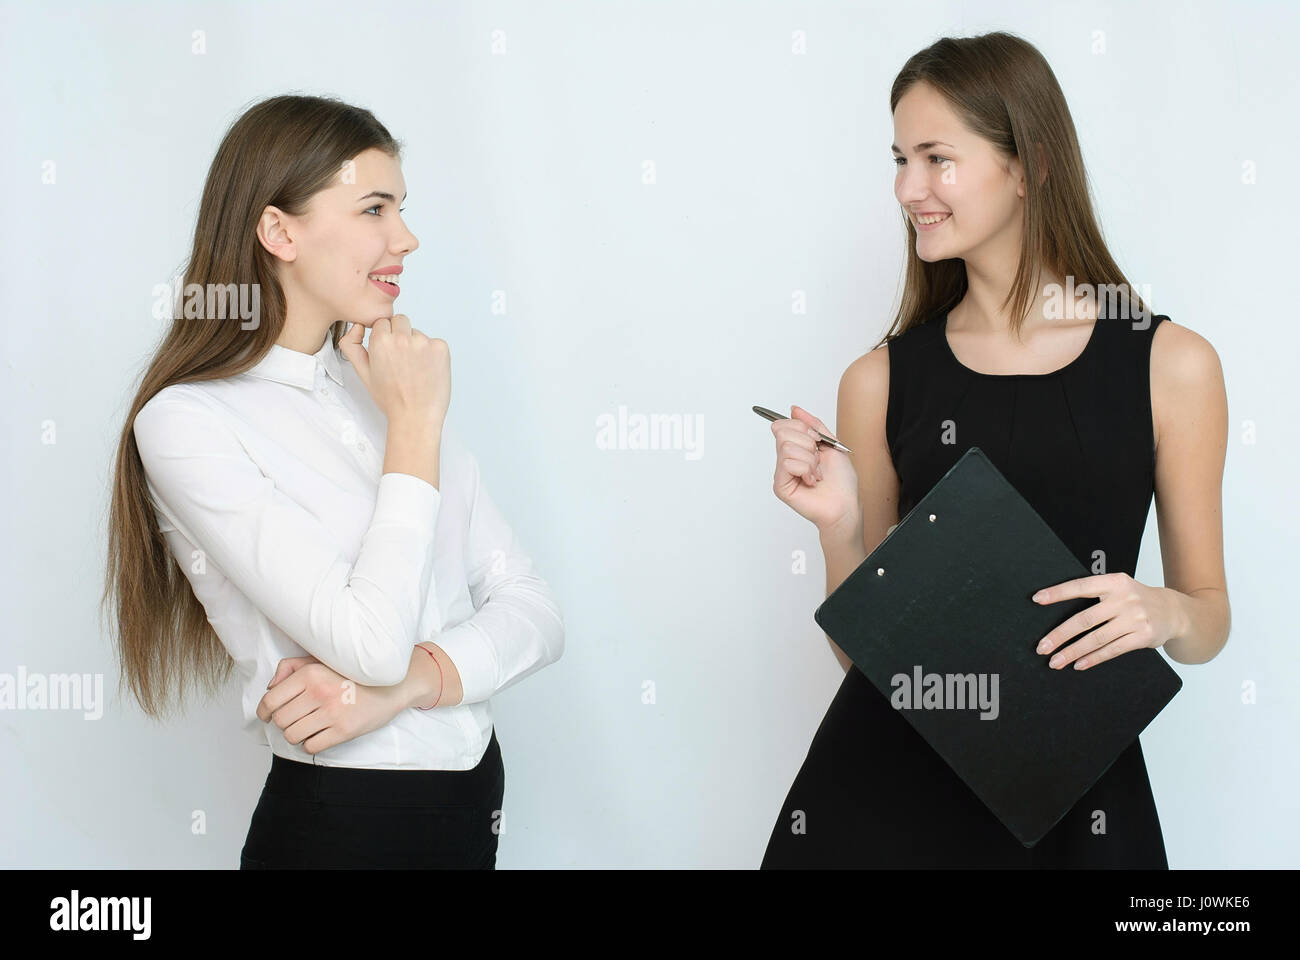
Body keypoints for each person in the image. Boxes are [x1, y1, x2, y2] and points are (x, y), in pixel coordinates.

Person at [760, 32, 1230, 868]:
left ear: (1031, 164)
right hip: (879, 808)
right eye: (900, 159)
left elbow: (1208, 620)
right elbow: (869, 663)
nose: (909, 189)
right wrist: (837, 529)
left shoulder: (1172, 365)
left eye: (938, 158)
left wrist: (1168, 611)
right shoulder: (877, 379)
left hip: (1076, 796)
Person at [102, 95, 564, 869]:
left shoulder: (378, 385)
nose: (406, 238)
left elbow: (536, 610)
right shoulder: (188, 422)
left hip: (469, 795)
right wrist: (415, 431)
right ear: (279, 231)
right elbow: (369, 644)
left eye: (401, 208)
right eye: (375, 208)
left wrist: (411, 685)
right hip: (345, 824)